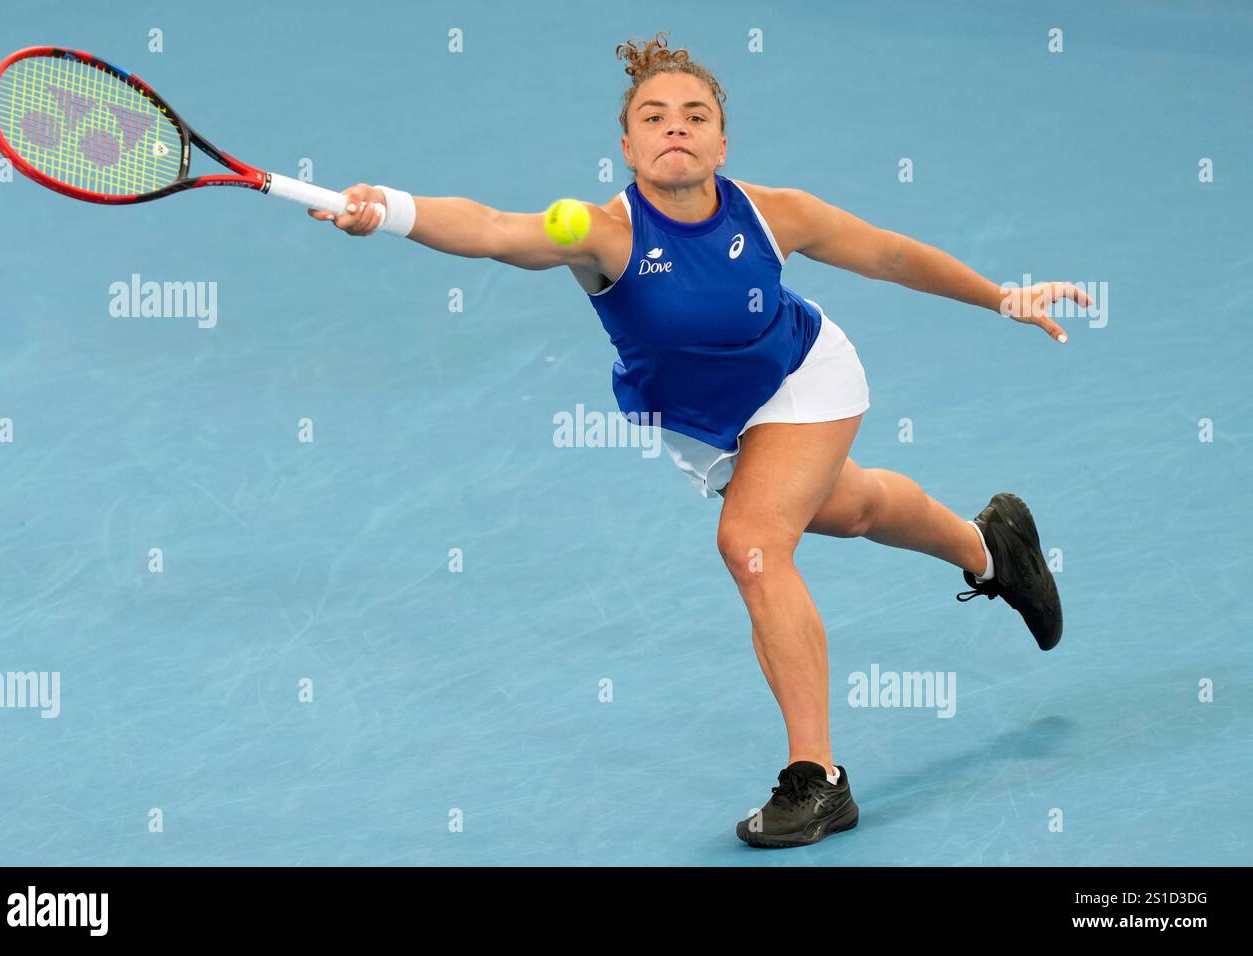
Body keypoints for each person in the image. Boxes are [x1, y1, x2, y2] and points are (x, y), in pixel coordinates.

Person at [310, 31, 1078, 849]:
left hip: (802, 379)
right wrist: (387, 210)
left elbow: (888, 254)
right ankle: (992, 547)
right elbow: (494, 228)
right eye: (653, 115)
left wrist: (1001, 297)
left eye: (694, 114)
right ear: (628, 143)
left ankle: (818, 780)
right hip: (705, 423)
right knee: (851, 508)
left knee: (752, 542)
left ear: (720, 139)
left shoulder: (774, 213)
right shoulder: (601, 233)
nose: (674, 126)